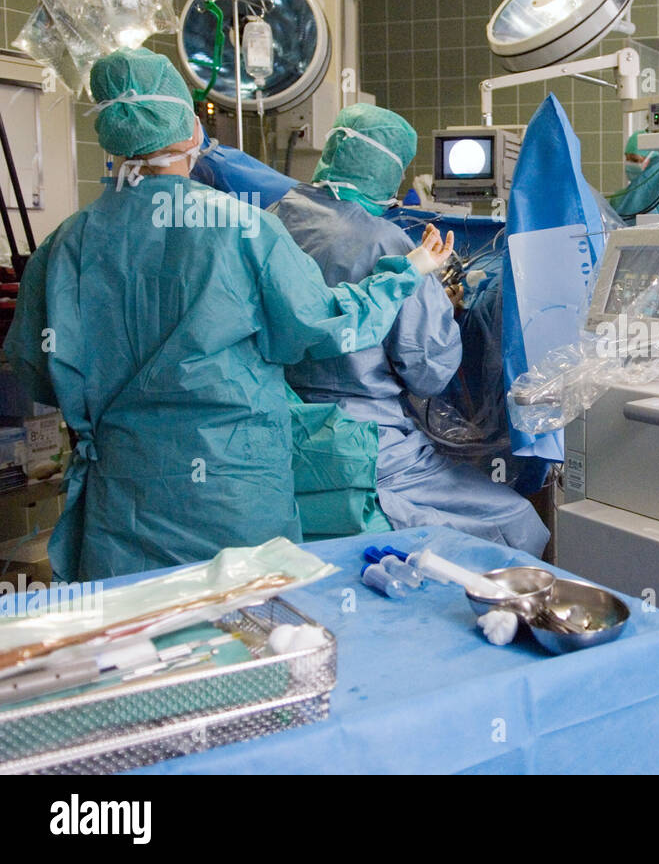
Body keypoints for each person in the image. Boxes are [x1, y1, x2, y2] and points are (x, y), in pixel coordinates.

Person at [2, 48, 453, 581]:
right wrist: (408, 271)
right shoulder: (242, 227)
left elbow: (36, 371)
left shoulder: (66, 244)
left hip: (122, 497)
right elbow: (327, 324)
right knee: (247, 634)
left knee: (137, 646)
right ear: (191, 129)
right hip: (231, 490)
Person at [270, 105, 550, 556]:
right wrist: (441, 306)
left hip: (281, 437)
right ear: (390, 174)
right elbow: (430, 372)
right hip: (365, 449)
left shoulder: (270, 220)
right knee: (516, 522)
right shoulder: (387, 244)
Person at [608, 130, 659, 217]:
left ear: (653, 161)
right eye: (627, 159)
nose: (629, 164)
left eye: (635, 160)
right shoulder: (619, 199)